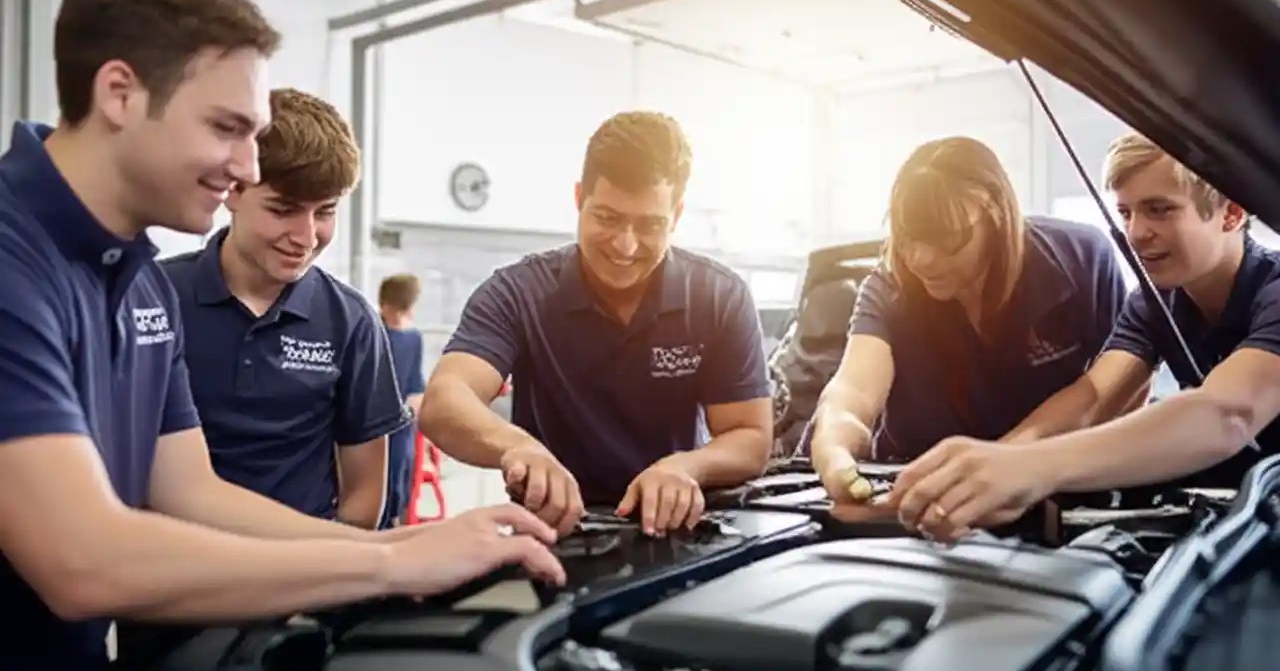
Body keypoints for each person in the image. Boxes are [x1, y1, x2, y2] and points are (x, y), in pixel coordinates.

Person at [0, 0, 561, 668]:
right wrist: (390, 568)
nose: (246, 166)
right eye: (226, 128)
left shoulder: (137, 284)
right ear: (120, 93)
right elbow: (83, 561)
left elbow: (191, 492)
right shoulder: (14, 260)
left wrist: (403, 542)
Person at [890, 132, 1280, 541]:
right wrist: (1001, 459)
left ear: (1232, 214)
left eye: (1159, 210)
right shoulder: (1153, 302)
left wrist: (1035, 467)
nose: (1136, 232)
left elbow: (1227, 413)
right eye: (1126, 212)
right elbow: (1094, 396)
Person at [420, 111, 773, 537]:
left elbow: (749, 435)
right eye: (607, 218)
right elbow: (445, 400)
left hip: (678, 533)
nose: (625, 245)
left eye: (650, 225)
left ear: (676, 215)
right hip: (554, 536)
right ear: (578, 198)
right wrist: (517, 447)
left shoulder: (719, 297)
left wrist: (686, 467)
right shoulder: (518, 292)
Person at [809, 136, 1130, 504]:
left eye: (945, 237)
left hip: (1055, 496)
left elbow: (1118, 391)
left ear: (995, 212)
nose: (920, 259)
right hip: (917, 501)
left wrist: (1004, 464)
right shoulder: (891, 286)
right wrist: (834, 445)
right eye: (908, 238)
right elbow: (853, 391)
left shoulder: (1082, 261)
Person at [163, 88, 403, 530]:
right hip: (177, 571)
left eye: (325, 213)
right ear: (233, 189)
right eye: (282, 210)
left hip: (303, 577)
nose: (306, 236)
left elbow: (365, 493)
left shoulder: (351, 321)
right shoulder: (155, 298)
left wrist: (322, 574)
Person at [378, 273, 428, 526]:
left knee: (400, 475)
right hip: (375, 422)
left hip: (402, 425)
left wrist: (412, 411)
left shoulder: (413, 339)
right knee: (378, 478)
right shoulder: (373, 333)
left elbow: (416, 385)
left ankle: (396, 521)